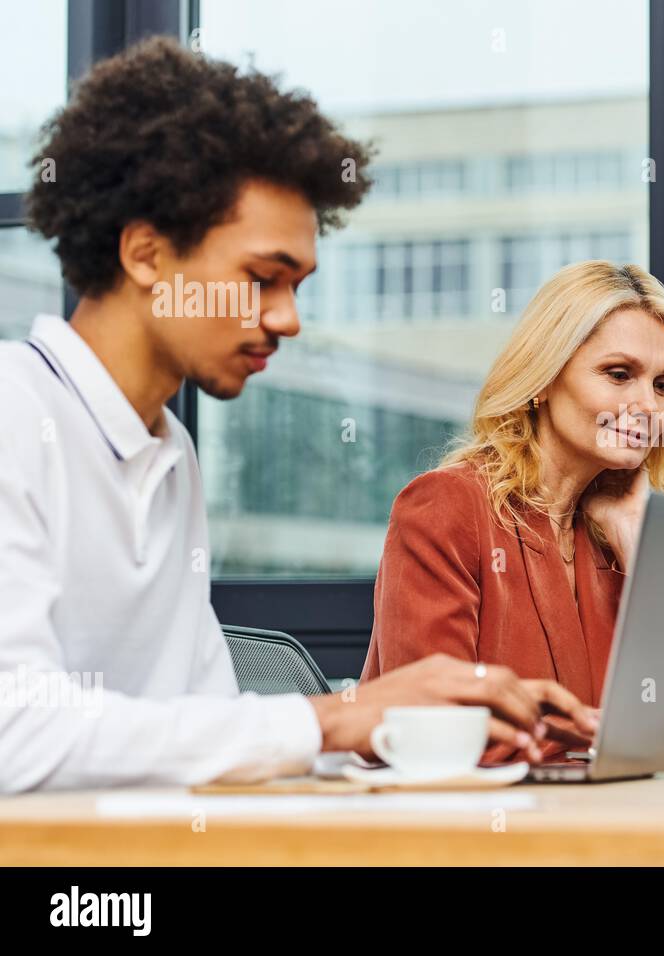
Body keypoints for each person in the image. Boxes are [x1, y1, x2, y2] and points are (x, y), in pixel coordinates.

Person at [0, 37, 595, 793]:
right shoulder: (14, 415)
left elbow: (209, 725)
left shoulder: (167, 451)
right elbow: (14, 734)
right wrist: (337, 714)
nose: (287, 320)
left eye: (297, 286)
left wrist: (441, 720)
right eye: (262, 279)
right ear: (147, 255)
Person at [362, 260, 664, 760]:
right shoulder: (445, 507)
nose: (648, 405)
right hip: (476, 827)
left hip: (604, 820)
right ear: (543, 377)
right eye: (618, 374)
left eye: (663, 385)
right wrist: (616, 731)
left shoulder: (620, 528)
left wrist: (639, 549)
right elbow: (438, 733)